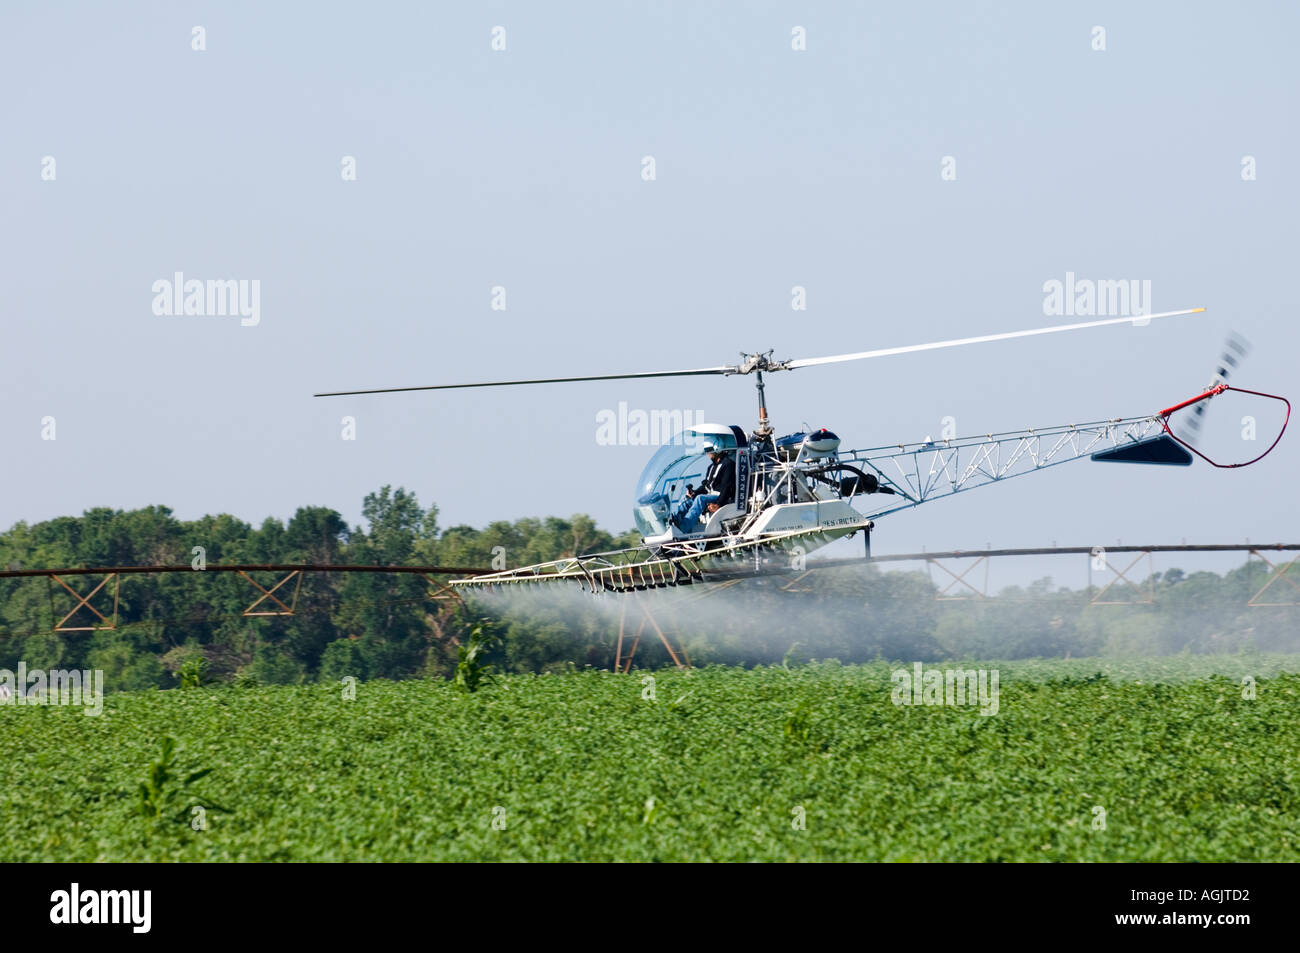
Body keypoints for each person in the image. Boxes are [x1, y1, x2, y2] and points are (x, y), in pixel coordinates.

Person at [672, 443, 736, 533]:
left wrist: (719, 504)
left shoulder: (728, 464)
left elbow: (727, 487)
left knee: (700, 499)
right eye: (706, 451)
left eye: (709, 451)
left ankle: (684, 528)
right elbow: (706, 486)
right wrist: (694, 492)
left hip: (721, 497)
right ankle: (675, 521)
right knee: (686, 498)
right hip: (710, 495)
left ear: (717, 449)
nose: (707, 454)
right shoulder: (711, 467)